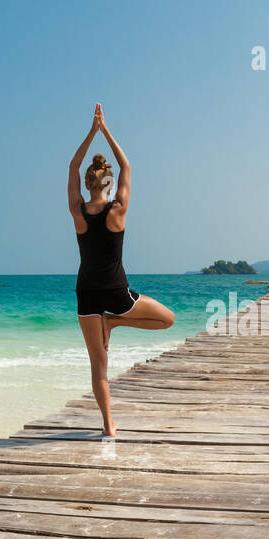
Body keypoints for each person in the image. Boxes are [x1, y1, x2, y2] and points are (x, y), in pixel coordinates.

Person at [68, 103, 175, 437]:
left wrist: (91, 132)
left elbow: (73, 166)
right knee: (167, 319)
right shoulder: (119, 209)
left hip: (86, 293)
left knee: (98, 365)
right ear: (109, 183)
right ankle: (114, 320)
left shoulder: (78, 211)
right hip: (117, 293)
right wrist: (105, 130)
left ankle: (108, 426)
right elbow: (127, 164)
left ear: (88, 184)